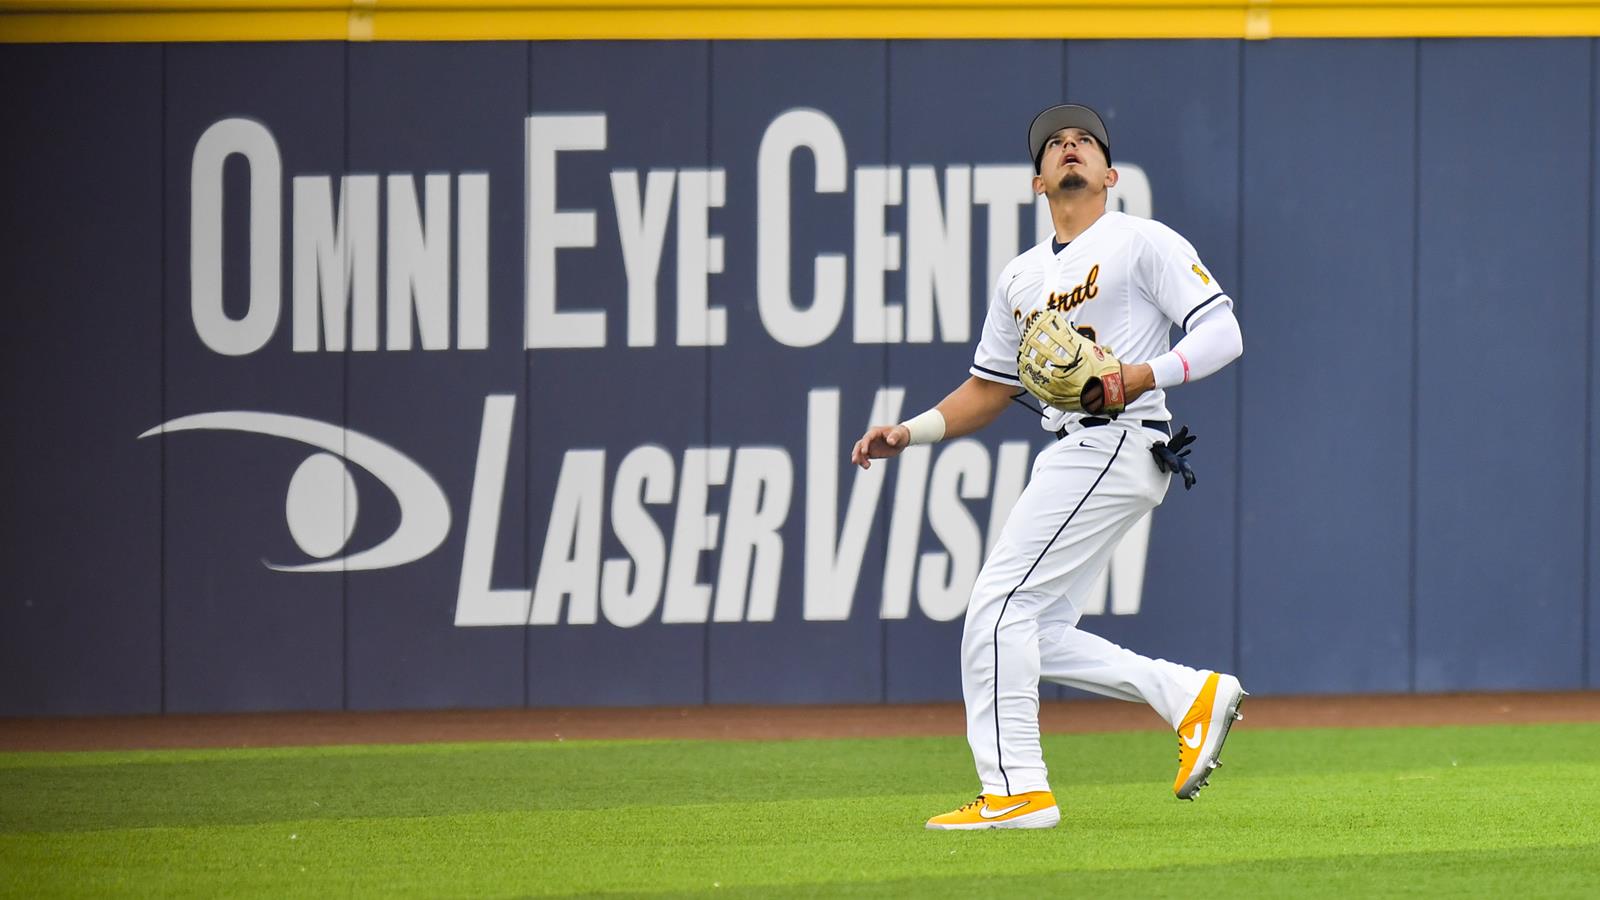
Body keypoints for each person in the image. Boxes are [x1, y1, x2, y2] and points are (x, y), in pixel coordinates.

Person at [851, 104, 1247, 830]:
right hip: (1077, 449)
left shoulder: (1140, 241)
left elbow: (1224, 332)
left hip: (1120, 433)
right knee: (1031, 630)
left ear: (1109, 173)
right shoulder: (1021, 278)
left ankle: (1016, 791)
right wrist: (909, 432)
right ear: (1038, 181)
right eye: (1055, 144)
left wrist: (1141, 374)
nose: (1070, 147)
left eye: (1085, 141)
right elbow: (990, 388)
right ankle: (1187, 695)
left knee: (996, 609)